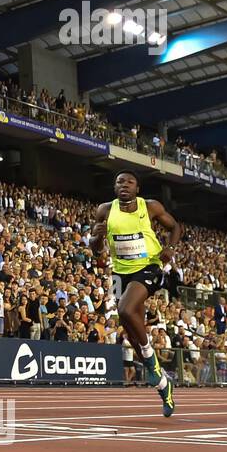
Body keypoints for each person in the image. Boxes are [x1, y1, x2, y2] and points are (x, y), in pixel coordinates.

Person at [90, 171, 182, 416]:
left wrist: (170, 248)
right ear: (114, 187)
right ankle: (163, 385)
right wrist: (97, 237)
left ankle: (152, 362)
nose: (124, 185)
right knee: (130, 331)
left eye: (130, 182)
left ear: (137, 189)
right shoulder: (104, 210)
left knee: (125, 309)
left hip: (149, 266)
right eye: (120, 182)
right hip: (119, 273)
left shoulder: (150, 206)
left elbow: (175, 227)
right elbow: (96, 249)